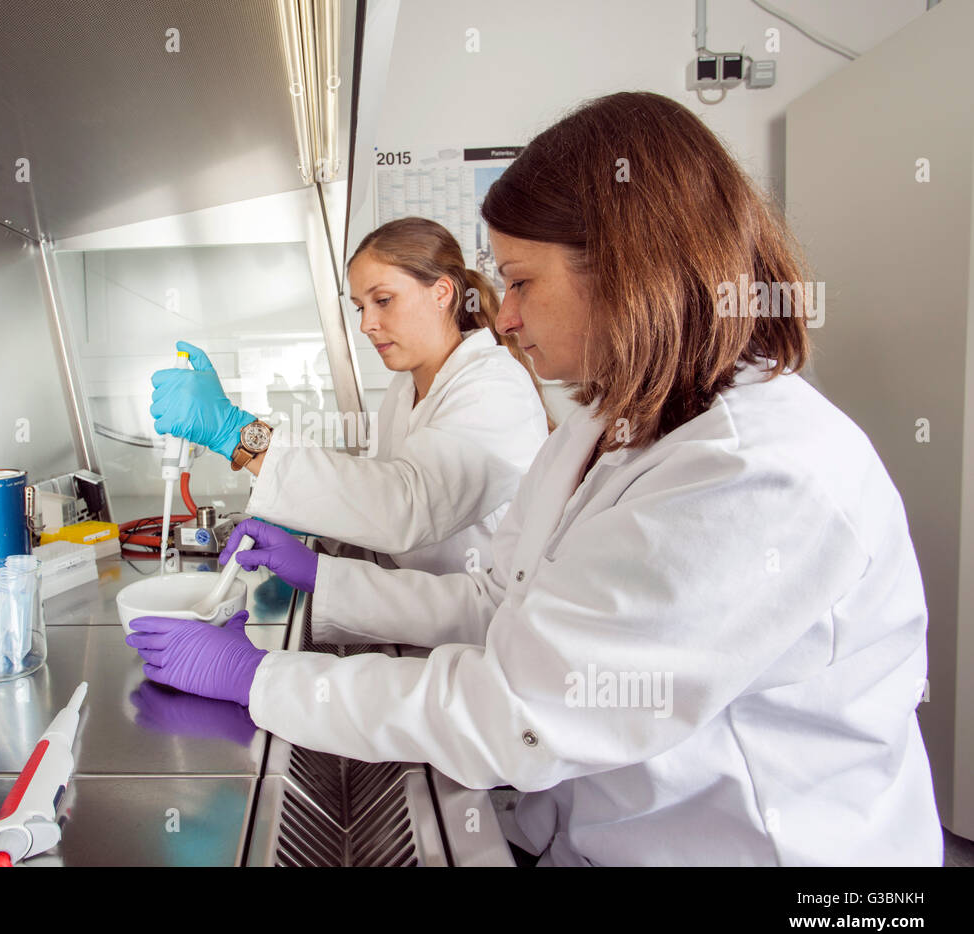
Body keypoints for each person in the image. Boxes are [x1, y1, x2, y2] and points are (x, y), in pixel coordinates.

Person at [127, 91, 941, 865]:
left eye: (521, 281)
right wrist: (326, 586)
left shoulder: (755, 475)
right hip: (592, 827)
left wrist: (259, 676)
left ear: (632, 270)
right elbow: (495, 599)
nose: (505, 313)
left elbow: (515, 708)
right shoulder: (604, 420)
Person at [149, 217, 547, 575]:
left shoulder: (495, 387)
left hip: (480, 636)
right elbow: (376, 505)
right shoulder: (404, 389)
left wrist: (237, 433)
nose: (367, 324)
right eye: (360, 307)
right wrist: (315, 524)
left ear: (442, 293)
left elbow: (404, 510)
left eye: (383, 300)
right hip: (422, 620)